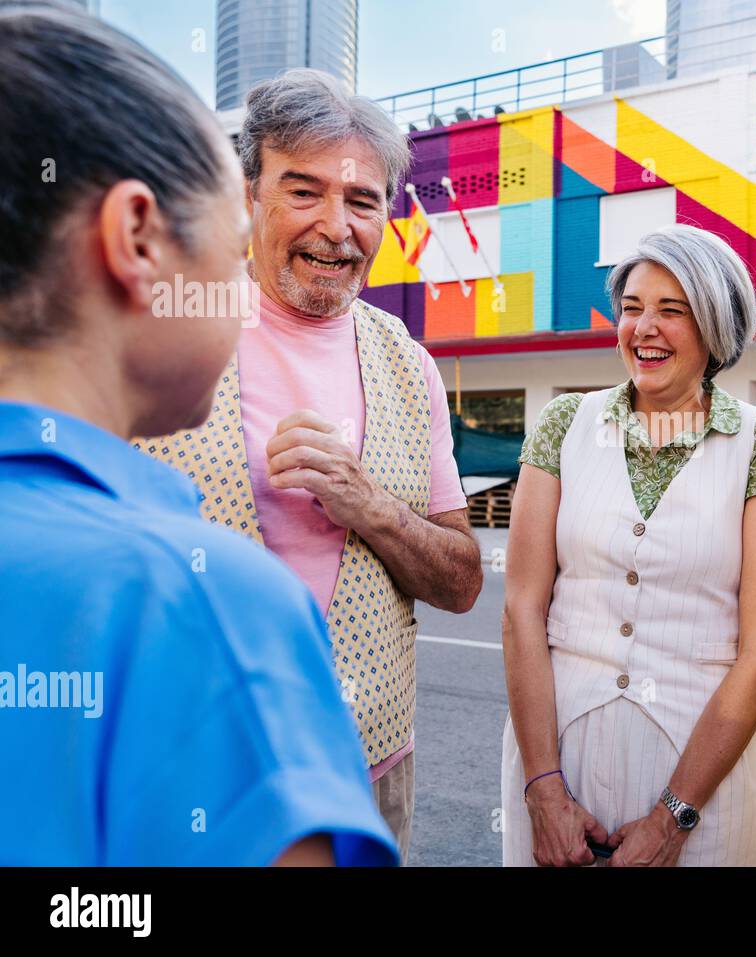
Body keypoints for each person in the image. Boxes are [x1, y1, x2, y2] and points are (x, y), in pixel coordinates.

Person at [0, 0, 395, 865]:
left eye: (362, 200)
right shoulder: (214, 607)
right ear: (137, 237)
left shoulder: (397, 357)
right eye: (232, 240)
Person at [135, 69, 484, 861]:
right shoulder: (161, 327)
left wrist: (375, 507)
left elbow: (461, 580)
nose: (336, 226)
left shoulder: (409, 364)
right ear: (249, 194)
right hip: (192, 760)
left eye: (361, 201)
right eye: (304, 191)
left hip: (366, 767)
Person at [500, 225, 756, 866]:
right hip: (559, 755)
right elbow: (522, 610)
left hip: (702, 772)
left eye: (672, 311)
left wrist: (674, 818)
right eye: (632, 308)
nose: (644, 327)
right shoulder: (566, 423)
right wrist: (542, 789)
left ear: (716, 330)